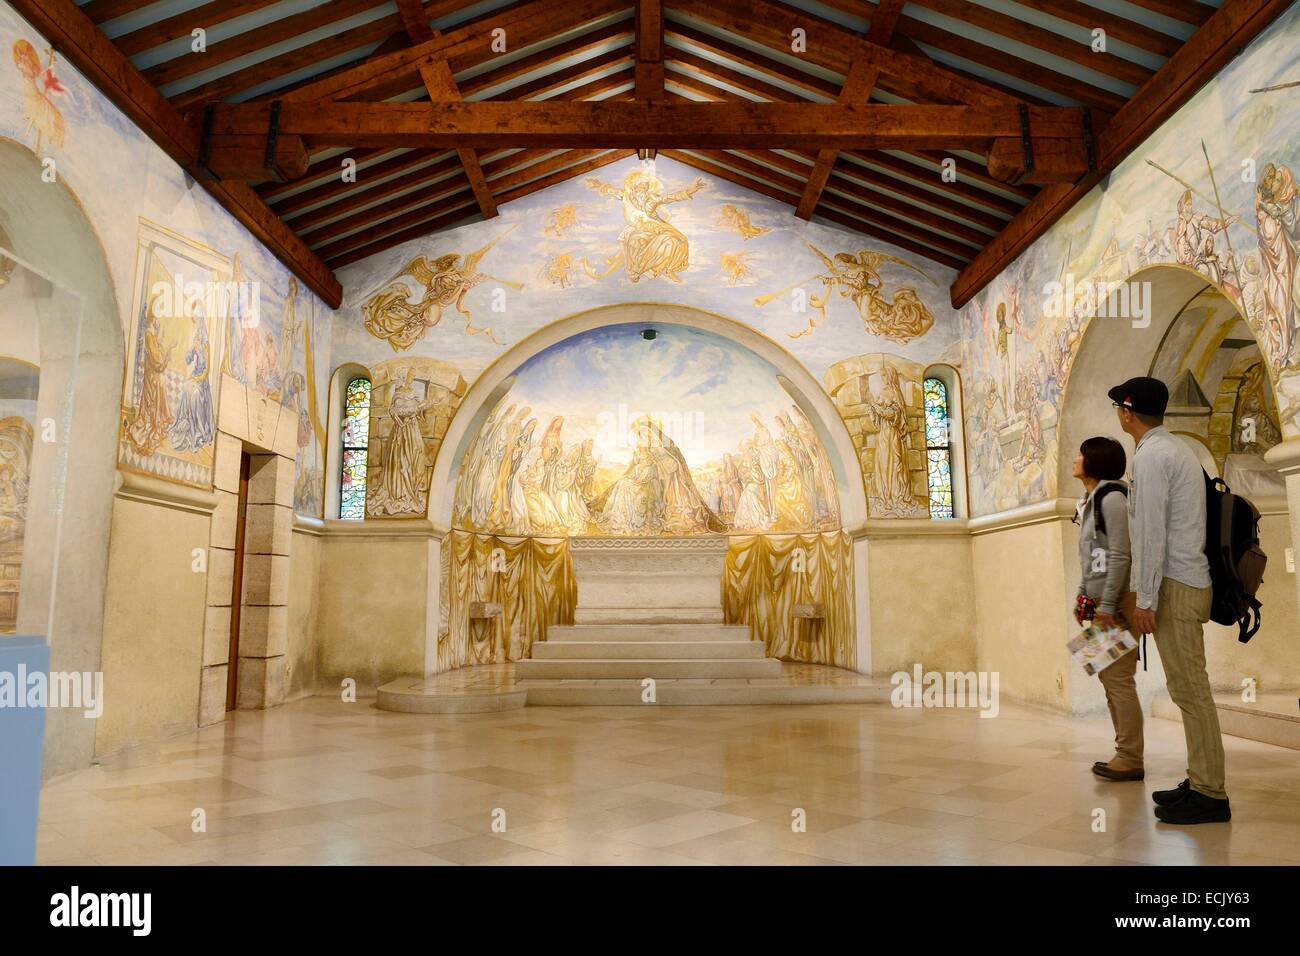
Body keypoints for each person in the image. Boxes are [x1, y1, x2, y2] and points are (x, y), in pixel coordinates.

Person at [1109, 376, 1228, 825]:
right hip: (1186, 582)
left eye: (1118, 409)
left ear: (1127, 411)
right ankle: (1200, 780)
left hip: (1175, 586)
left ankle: (1211, 793)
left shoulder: (1154, 456)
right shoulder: (1177, 449)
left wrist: (1145, 597)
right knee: (1187, 690)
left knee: (1191, 692)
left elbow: (1150, 533)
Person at [1072, 437, 1141, 782]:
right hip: (1101, 604)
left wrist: (1108, 605)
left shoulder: (1112, 499)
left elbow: (1120, 555)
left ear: (1094, 461)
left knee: (1118, 680)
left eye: (1081, 454)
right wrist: (1083, 595)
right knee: (1108, 677)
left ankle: (1129, 757)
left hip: (1114, 606)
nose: (1075, 459)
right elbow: (1092, 558)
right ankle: (1123, 752)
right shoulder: (1092, 499)